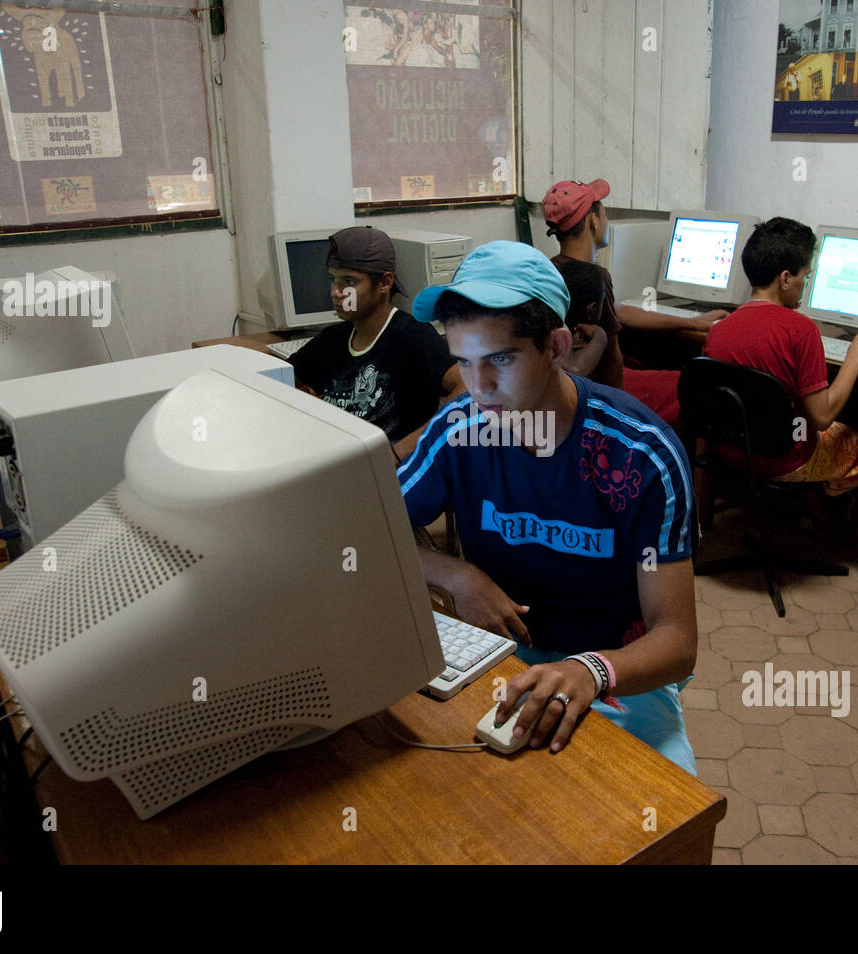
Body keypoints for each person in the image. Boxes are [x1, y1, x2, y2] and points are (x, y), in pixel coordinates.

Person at [398, 241, 698, 772]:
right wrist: (457, 576)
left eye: (501, 360)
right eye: (463, 363)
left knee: (663, 816)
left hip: (617, 669)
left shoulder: (640, 454)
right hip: (498, 655)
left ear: (557, 346)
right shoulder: (459, 431)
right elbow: (370, 532)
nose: (478, 388)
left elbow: (676, 639)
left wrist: (589, 671)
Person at [703, 217, 858, 497]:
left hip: (730, 451)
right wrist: (855, 359)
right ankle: (824, 514)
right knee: (856, 437)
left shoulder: (718, 330)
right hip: (786, 460)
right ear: (786, 279)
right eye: (806, 276)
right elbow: (822, 417)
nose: (807, 284)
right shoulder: (801, 330)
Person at [288, 226, 465, 462]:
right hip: (341, 463)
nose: (336, 292)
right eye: (333, 279)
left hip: (386, 472)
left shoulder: (412, 337)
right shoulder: (335, 338)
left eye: (349, 281)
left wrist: (399, 453)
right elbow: (279, 378)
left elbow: (468, 389)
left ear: (384, 282)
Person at [543, 179, 727, 384]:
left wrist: (692, 322)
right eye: (604, 214)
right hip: (596, 389)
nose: (606, 222)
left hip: (567, 384)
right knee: (686, 382)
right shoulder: (596, 277)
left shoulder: (552, 268)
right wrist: (621, 409)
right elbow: (612, 358)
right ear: (592, 221)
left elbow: (618, 311)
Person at [555, 256, 681, 426]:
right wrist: (601, 335)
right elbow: (575, 370)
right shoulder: (561, 329)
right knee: (680, 382)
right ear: (592, 310)